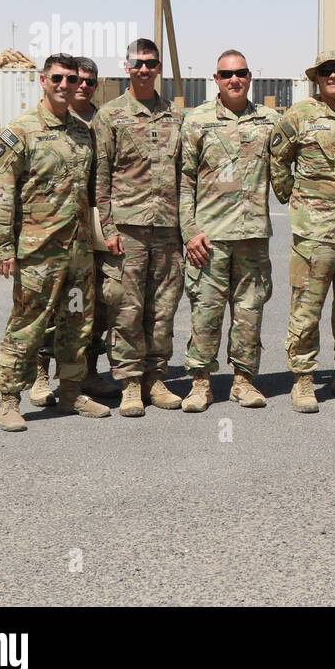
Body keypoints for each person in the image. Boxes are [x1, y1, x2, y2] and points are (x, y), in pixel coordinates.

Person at [0, 54, 110, 430]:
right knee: (27, 325)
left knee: (77, 323)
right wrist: (1, 247)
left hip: (77, 251)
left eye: (72, 80)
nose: (65, 85)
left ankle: (71, 393)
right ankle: (9, 400)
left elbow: (92, 191)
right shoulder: (19, 132)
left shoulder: (82, 132)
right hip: (37, 252)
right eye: (57, 78)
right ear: (43, 80)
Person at [271, 50, 335, 412]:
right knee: (306, 308)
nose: (334, 76)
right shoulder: (299, 115)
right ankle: (302, 378)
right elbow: (278, 159)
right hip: (313, 232)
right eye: (327, 71)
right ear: (318, 77)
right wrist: (292, 199)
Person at [177, 50, 280, 413]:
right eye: (226, 74)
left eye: (241, 73)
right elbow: (184, 181)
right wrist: (189, 231)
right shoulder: (196, 121)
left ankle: (243, 381)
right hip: (210, 237)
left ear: (250, 77)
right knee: (206, 311)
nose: (234, 79)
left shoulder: (269, 121)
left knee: (249, 311)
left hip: (252, 235)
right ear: (215, 79)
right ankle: (200, 382)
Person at [93, 39, 185, 417]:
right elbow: (100, 176)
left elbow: (185, 175)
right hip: (127, 228)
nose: (144, 69)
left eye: (150, 63)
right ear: (126, 67)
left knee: (163, 308)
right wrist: (107, 228)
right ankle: (130, 382)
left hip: (167, 227)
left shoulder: (175, 116)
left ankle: (156, 377)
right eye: (137, 63)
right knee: (126, 309)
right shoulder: (110, 116)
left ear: (158, 66)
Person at [32, 56, 121, 405]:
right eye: (76, 80)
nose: (81, 86)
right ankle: (41, 372)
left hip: (96, 223)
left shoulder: (102, 122)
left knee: (95, 303)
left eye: (89, 81)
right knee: (52, 302)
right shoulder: (52, 120)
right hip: (55, 227)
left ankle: (88, 370)